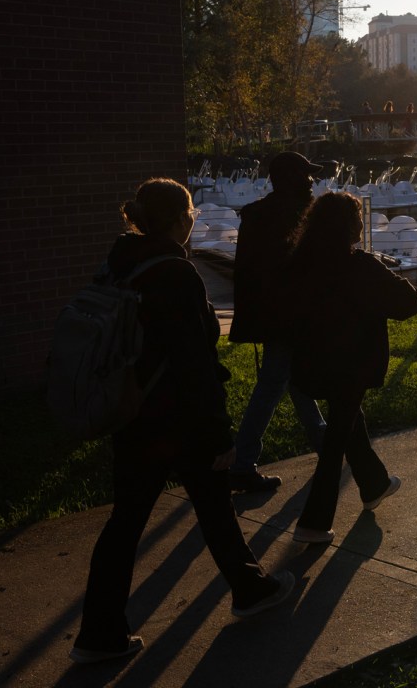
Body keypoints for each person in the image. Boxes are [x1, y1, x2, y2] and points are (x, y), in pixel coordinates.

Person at [71, 178, 294, 665]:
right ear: (177, 220)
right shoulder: (174, 271)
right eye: (190, 214)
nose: (193, 221)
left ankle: (98, 632)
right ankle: (250, 590)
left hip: (132, 413)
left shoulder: (120, 262)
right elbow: (192, 360)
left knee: (126, 523)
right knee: (213, 507)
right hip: (178, 419)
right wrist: (220, 434)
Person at [286, 191, 417, 545]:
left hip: (310, 360)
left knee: (348, 421)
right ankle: (313, 524)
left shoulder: (300, 263)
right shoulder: (359, 265)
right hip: (350, 363)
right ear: (349, 226)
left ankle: (374, 484)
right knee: (336, 440)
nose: (362, 224)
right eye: (359, 218)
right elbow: (411, 303)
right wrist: (381, 269)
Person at [228, 151, 328, 493]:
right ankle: (242, 464)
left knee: (294, 381)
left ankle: (325, 445)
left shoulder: (257, 214)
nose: (313, 181)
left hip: (270, 316)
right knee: (272, 386)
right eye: (308, 176)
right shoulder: (294, 216)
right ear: (295, 178)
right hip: (289, 317)